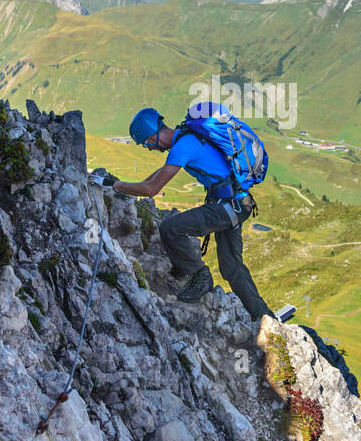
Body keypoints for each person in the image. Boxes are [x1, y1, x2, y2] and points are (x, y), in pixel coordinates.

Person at [91, 107, 273, 320]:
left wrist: (115, 186)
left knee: (170, 228)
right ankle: (264, 317)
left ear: (152, 135)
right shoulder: (186, 138)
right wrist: (117, 184)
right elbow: (150, 181)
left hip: (226, 205)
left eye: (147, 143)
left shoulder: (183, 146)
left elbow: (151, 190)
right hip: (235, 203)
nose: (150, 148)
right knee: (232, 267)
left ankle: (200, 276)